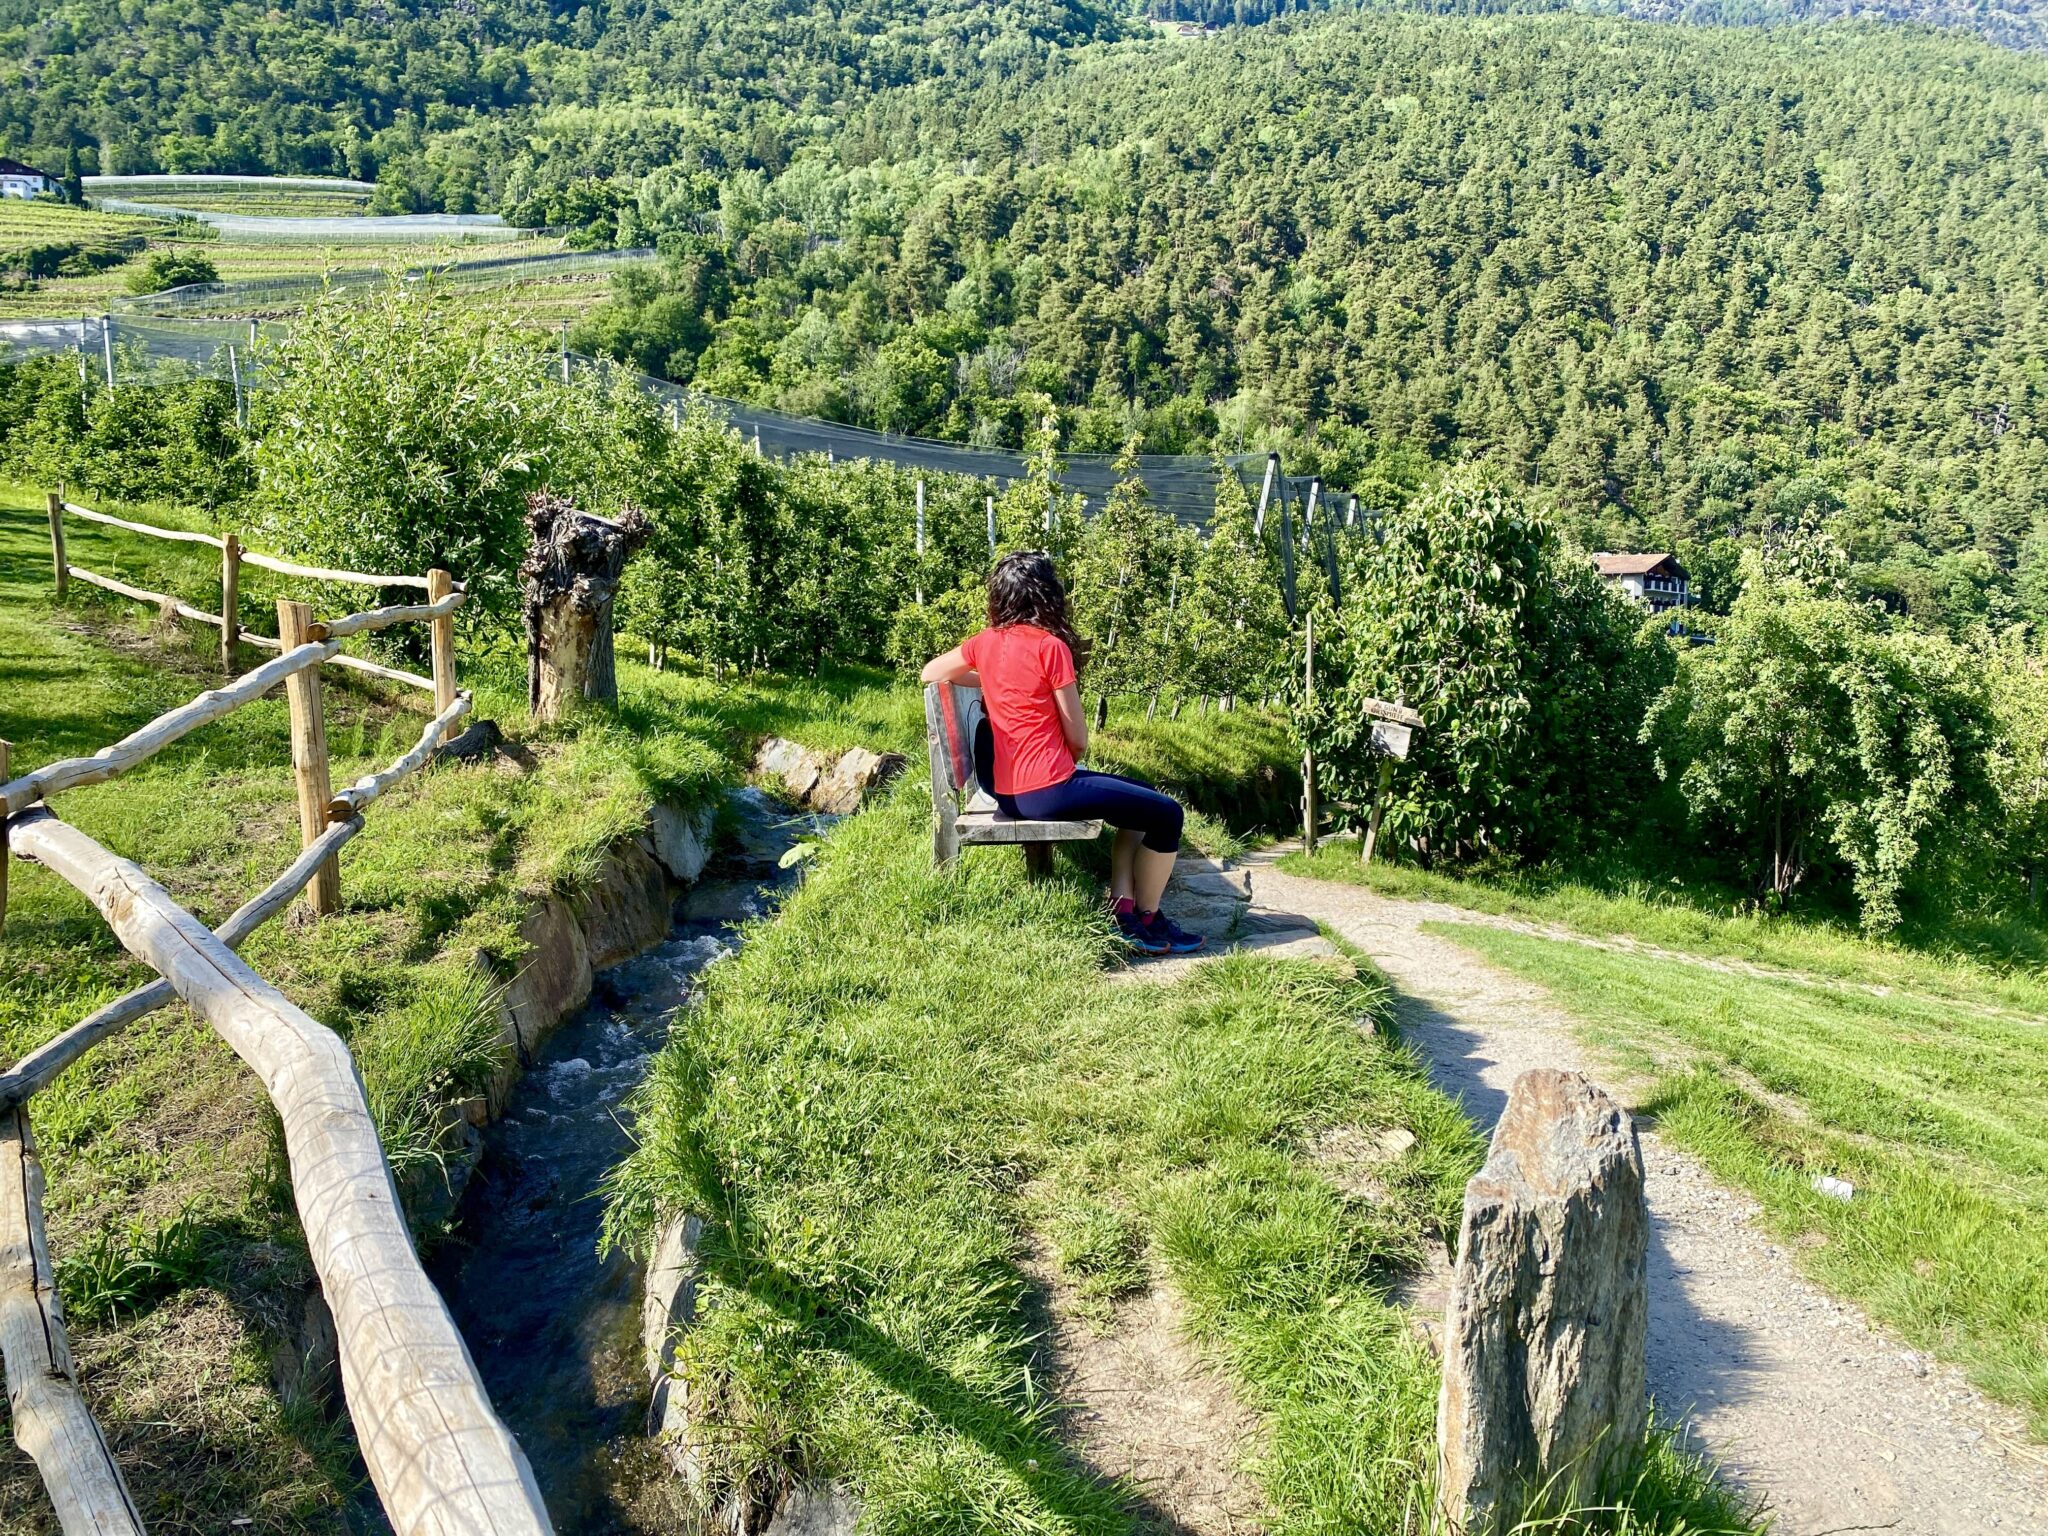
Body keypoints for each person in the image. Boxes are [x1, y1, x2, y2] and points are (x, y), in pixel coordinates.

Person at [922, 551, 1204, 956]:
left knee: (1140, 800)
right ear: (1047, 595)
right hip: (1050, 789)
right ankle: (1148, 917)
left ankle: (1123, 910)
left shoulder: (984, 643)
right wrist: (1068, 759)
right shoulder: (1051, 647)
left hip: (1008, 794)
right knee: (1167, 813)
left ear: (1000, 596)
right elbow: (1078, 739)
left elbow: (930, 672)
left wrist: (993, 677)